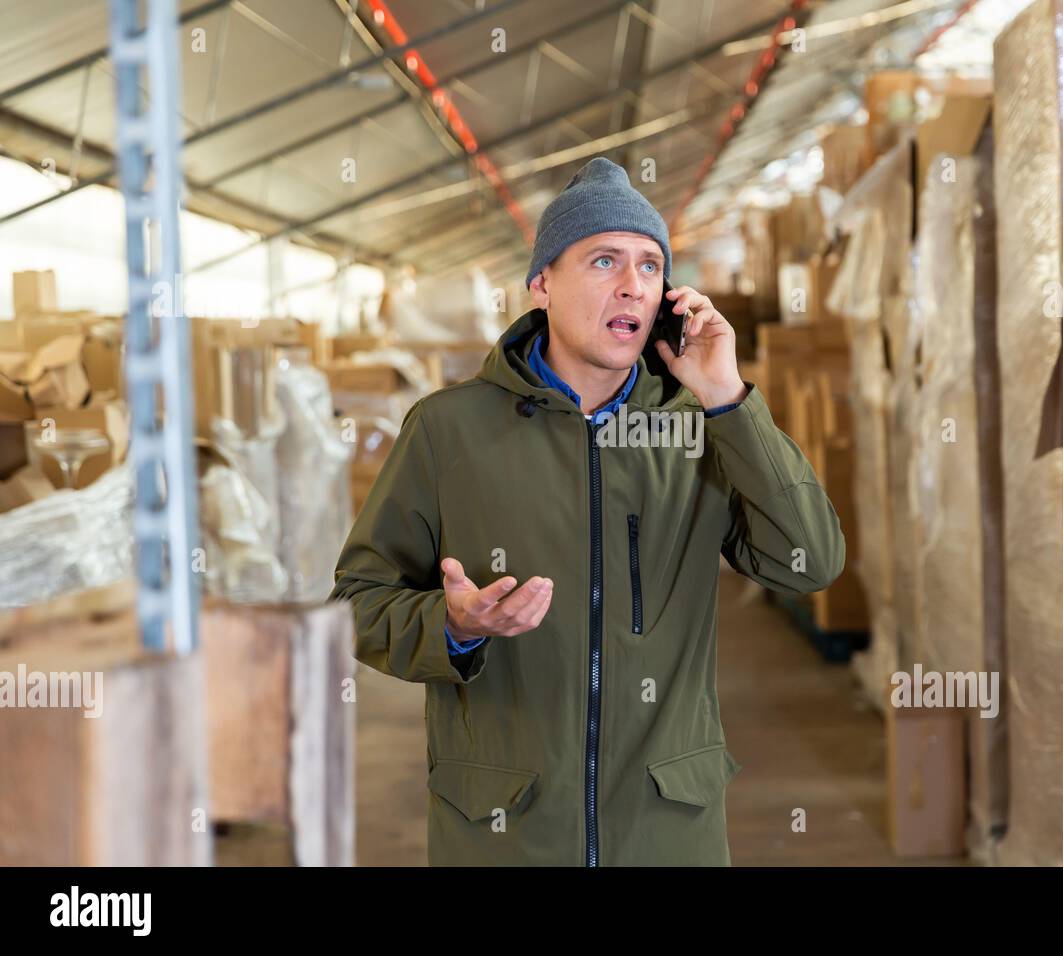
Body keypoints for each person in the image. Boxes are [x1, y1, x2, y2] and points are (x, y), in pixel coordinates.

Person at [330, 157, 846, 866]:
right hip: (506, 828)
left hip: (668, 829)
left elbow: (810, 562)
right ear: (542, 283)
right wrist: (449, 626)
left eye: (650, 265)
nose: (633, 283)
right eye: (604, 260)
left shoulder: (697, 427)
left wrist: (727, 397)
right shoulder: (448, 430)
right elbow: (356, 602)